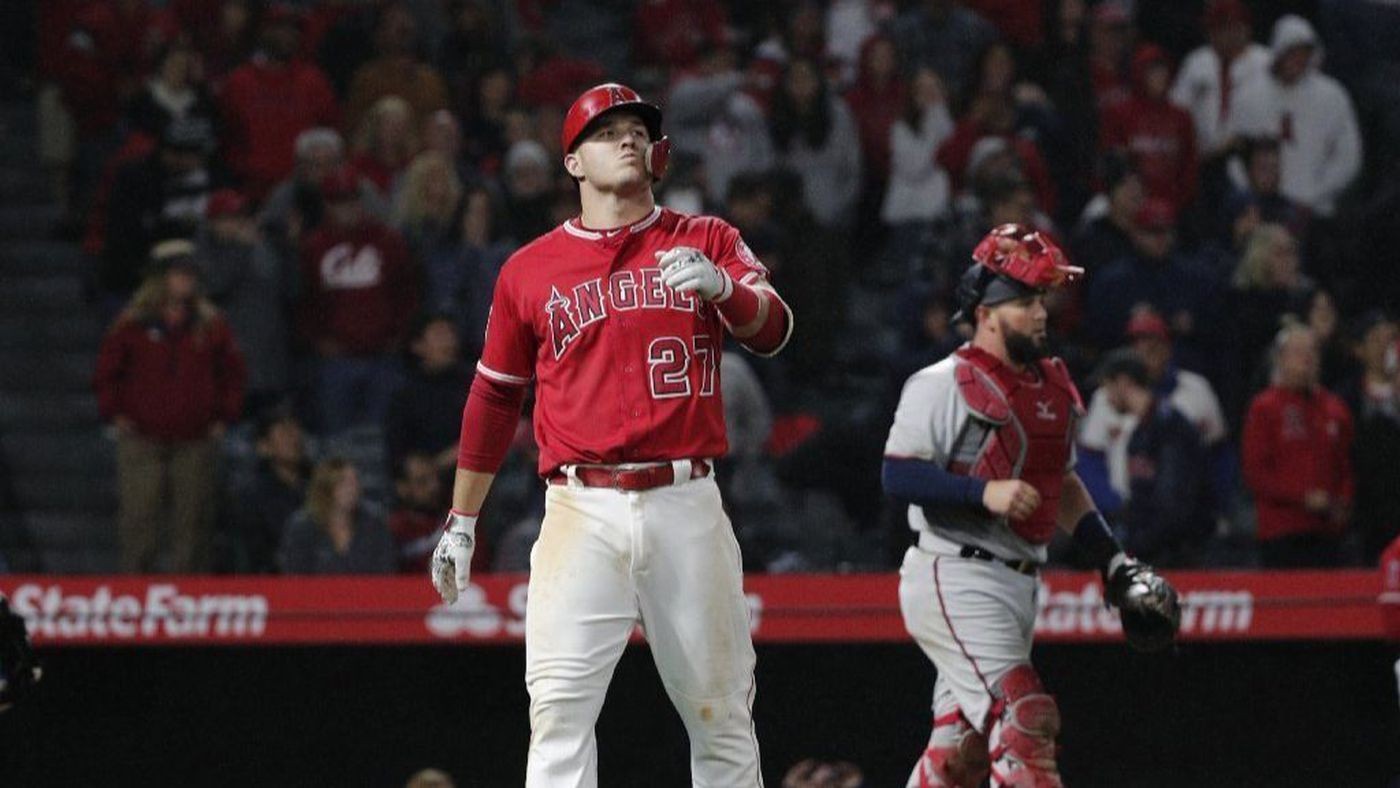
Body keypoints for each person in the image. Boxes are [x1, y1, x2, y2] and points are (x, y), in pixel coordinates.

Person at [429, 83, 793, 787]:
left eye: (635, 129)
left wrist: (727, 290)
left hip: (686, 498)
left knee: (722, 715)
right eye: (605, 132)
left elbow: (776, 329)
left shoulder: (705, 239)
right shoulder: (528, 269)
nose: (625, 139)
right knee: (558, 714)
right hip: (579, 507)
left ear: (656, 152)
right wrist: (461, 520)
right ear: (572, 165)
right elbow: (494, 395)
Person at [881, 224, 1178, 786]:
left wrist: (1112, 562)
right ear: (987, 311)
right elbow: (897, 473)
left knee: (962, 752)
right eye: (1023, 301)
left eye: (1042, 299)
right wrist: (980, 492)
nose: (1040, 313)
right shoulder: (940, 383)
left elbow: (1062, 484)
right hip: (954, 572)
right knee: (1024, 718)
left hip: (1017, 582)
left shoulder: (1048, 386)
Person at [93, 240, 247, 573]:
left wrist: (224, 415)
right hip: (141, 438)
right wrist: (114, 412)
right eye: (180, 274)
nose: (186, 281)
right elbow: (107, 372)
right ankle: (135, 600)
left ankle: (189, 603)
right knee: (140, 521)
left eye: (191, 274)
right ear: (160, 278)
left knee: (192, 523)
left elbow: (233, 373)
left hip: (196, 438)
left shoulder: (211, 324)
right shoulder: (131, 323)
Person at [1241, 323, 1354, 567]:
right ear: (1280, 359)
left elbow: (1347, 463)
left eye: (1312, 351)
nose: (1307, 359)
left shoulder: (1336, 409)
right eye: (1298, 352)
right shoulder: (1264, 408)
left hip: (1329, 532)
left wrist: (1343, 501)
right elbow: (1256, 473)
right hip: (1282, 532)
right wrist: (1303, 497)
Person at [1092, 348, 1211, 566]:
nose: (1107, 398)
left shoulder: (1171, 427)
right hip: (1152, 551)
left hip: (1177, 556)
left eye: (1108, 387)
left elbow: (1173, 505)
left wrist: (1134, 547)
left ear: (1123, 382)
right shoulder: (1140, 433)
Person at [280, 458, 395, 574]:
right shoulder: (302, 528)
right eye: (344, 483)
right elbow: (294, 576)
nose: (353, 489)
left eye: (355, 482)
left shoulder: (375, 526)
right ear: (326, 488)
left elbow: (386, 573)